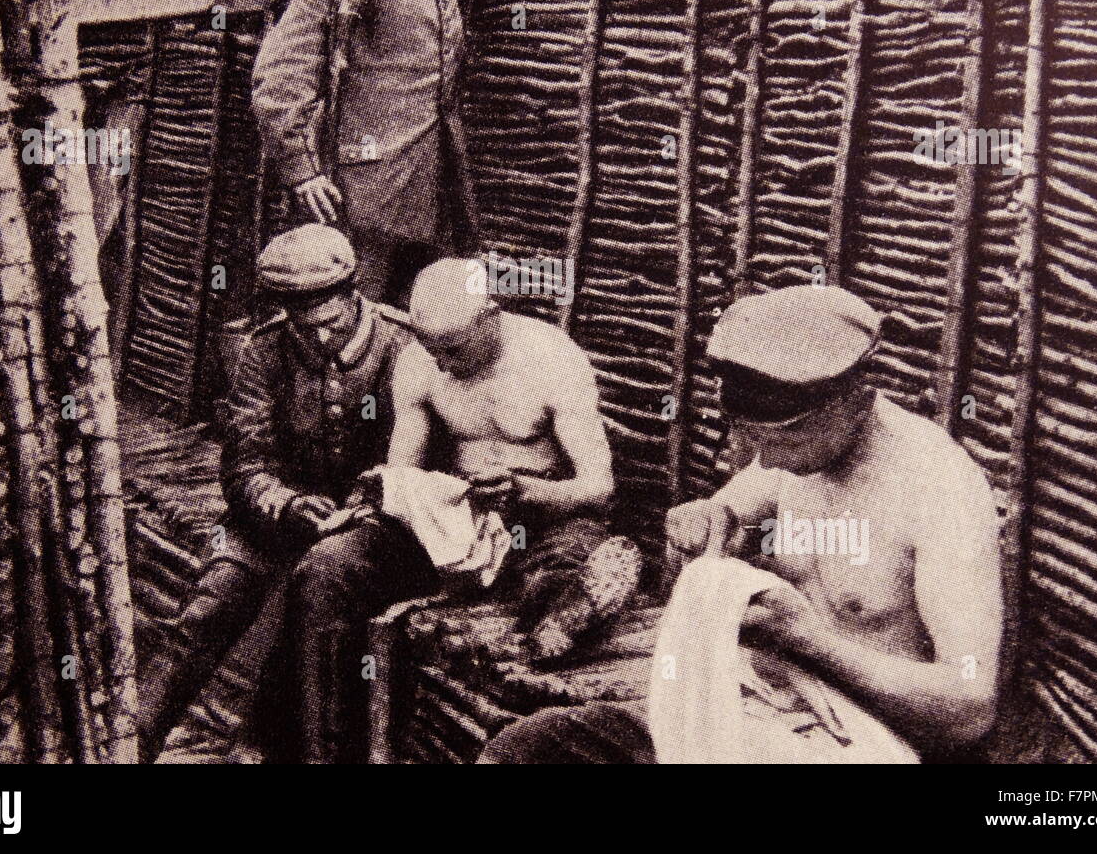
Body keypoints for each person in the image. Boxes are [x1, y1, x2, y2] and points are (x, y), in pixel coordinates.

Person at [480, 284, 1004, 763]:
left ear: (857, 400)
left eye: (782, 443)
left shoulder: (938, 490)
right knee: (528, 750)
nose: (766, 463)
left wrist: (809, 640)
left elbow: (970, 707)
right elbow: (727, 509)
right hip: (761, 701)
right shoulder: (802, 448)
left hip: (865, 740)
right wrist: (706, 517)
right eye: (754, 441)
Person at [275, 257, 642, 763]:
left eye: (453, 350)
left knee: (558, 566)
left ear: (491, 316)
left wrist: (524, 490)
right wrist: (379, 496)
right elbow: (404, 468)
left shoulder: (550, 358)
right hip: (459, 518)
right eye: (431, 348)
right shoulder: (421, 363)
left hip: (543, 516)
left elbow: (599, 488)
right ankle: (325, 752)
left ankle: (570, 600)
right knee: (328, 567)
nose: (442, 364)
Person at [252, 0, 578, 307]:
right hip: (369, 192)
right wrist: (302, 168)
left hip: (433, 182)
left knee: (431, 313)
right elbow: (279, 74)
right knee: (355, 317)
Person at [134, 224, 412, 763]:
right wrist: (285, 504)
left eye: (331, 325)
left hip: (370, 524)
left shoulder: (401, 346)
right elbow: (245, 465)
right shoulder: (263, 353)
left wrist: (363, 508)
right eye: (305, 328)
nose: (320, 340)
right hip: (275, 523)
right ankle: (131, 743)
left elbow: (416, 461)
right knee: (207, 609)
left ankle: (284, 747)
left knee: (319, 610)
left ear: (354, 294)